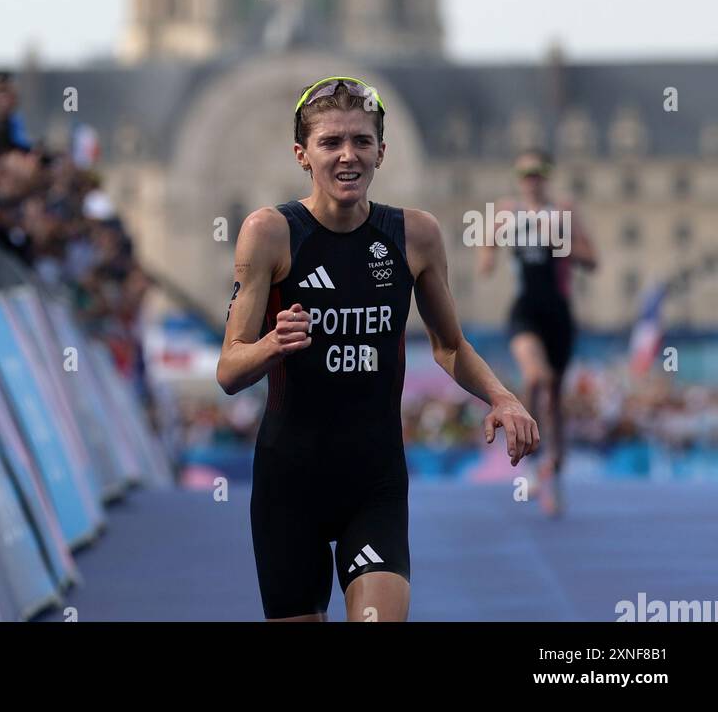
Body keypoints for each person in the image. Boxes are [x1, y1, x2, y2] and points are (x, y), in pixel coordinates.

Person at [217, 75, 539, 623]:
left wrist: (503, 397)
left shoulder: (414, 234)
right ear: (302, 154)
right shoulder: (270, 232)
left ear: (381, 152)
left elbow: (451, 346)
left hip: (374, 478)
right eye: (331, 143)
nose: (348, 156)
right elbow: (228, 370)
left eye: (362, 141)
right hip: (288, 479)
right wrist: (273, 345)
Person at [478, 148, 597, 515]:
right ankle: (531, 460)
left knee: (555, 397)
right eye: (525, 173)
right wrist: (493, 241)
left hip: (557, 313)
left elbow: (591, 259)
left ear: (547, 176)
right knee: (535, 376)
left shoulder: (563, 210)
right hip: (525, 308)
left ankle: (554, 471)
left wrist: (556, 237)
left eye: (538, 173)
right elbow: (485, 260)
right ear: (518, 178)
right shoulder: (507, 210)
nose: (532, 179)